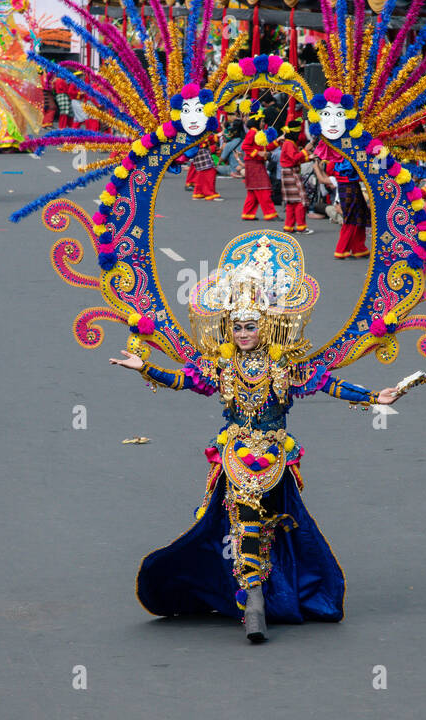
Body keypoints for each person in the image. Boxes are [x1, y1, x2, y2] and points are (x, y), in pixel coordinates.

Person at [109, 232, 400, 643]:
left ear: (265, 328)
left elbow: (327, 383)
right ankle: (255, 600)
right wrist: (144, 367)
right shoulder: (222, 367)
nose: (243, 333)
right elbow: (184, 380)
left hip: (276, 454)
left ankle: (276, 590)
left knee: (276, 526)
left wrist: (373, 396)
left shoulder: (284, 367)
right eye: (237, 327)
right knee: (245, 518)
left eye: (251, 326)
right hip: (237, 453)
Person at [240, 108, 279, 220]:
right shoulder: (253, 132)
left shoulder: (257, 133)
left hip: (254, 163)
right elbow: (245, 146)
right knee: (263, 188)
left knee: (253, 190)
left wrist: (278, 141)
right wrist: (258, 153)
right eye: (261, 121)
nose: (263, 123)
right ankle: (270, 214)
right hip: (254, 164)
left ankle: (248, 214)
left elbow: (264, 148)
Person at [279, 118, 312, 233]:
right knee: (299, 200)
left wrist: (308, 158)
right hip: (290, 173)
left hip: (288, 172)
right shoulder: (288, 144)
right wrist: (305, 151)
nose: (299, 135)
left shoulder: (289, 143)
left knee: (292, 201)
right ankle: (301, 227)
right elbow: (294, 159)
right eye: (298, 133)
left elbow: (294, 159)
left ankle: (289, 226)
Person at [190, 133, 222, 200]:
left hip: (198, 149)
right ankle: (209, 193)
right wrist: (215, 136)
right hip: (201, 150)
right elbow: (204, 139)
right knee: (209, 172)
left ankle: (199, 192)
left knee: (202, 172)